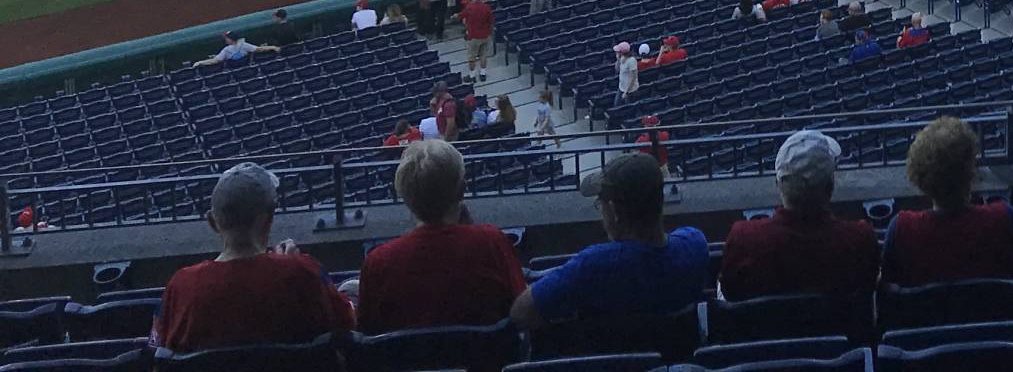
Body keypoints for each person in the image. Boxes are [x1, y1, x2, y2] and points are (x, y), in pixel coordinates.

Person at [153, 163, 355, 351]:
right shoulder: (303, 272)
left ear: (212, 222)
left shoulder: (180, 286)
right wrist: (290, 264)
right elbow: (348, 325)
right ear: (269, 217)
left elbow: (158, 349)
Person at [510, 154, 710, 333]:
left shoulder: (592, 265)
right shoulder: (695, 244)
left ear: (613, 212)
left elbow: (521, 312)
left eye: (601, 204)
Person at [355, 140, 526, 331]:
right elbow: (520, 310)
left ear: (406, 197)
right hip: (487, 361)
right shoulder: (491, 242)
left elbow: (367, 334)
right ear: (462, 189)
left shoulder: (378, 262)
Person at [880, 115, 1013, 287]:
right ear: (972, 171)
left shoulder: (902, 229)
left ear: (919, 178)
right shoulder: (1003, 218)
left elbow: (886, 296)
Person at [719, 129, 881, 301]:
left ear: (778, 185)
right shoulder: (860, 240)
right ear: (831, 185)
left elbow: (730, 293)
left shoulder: (744, 239)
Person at [192, 32, 279, 68]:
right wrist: (272, 47)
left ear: (231, 39)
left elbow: (215, 61)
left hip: (235, 72)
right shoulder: (244, 45)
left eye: (227, 38)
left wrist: (200, 62)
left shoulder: (226, 50)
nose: (225, 40)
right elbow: (259, 49)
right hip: (248, 69)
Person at [461, 0, 495, 75]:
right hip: (485, 36)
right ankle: (483, 74)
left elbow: (461, 16)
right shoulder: (487, 7)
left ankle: (472, 76)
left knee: (472, 57)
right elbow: (491, 21)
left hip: (473, 37)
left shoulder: (469, 8)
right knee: (483, 56)